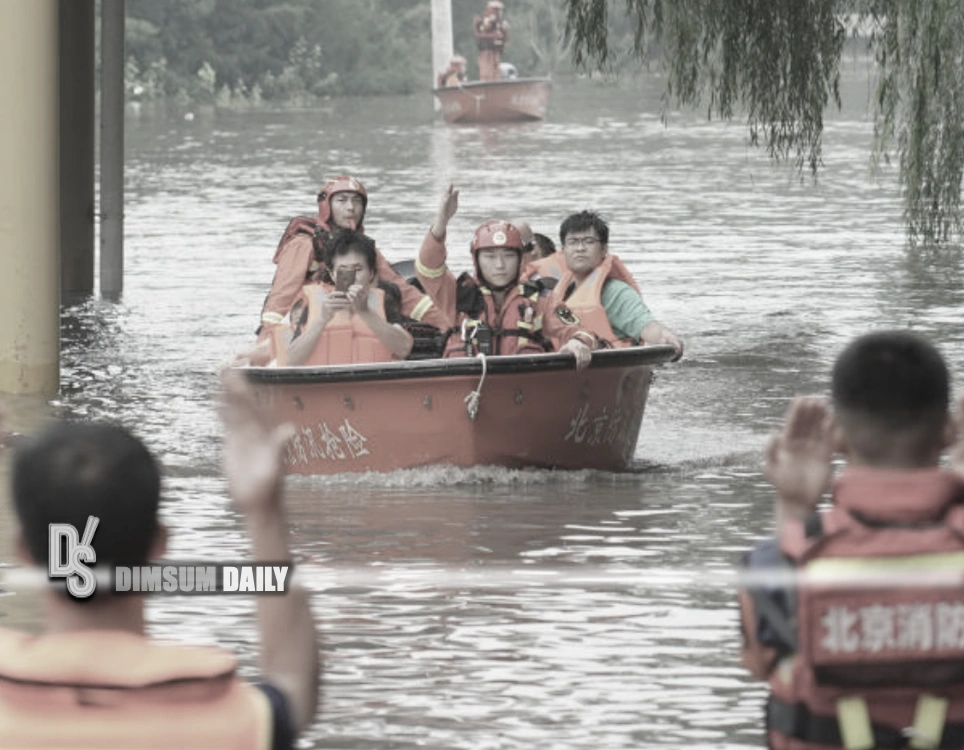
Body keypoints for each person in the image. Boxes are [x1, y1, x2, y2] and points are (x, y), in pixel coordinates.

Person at [0, 372, 319, 748]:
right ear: (160, 544)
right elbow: (292, 683)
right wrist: (264, 511)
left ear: (24, 552)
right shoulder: (231, 720)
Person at [739, 330, 964, 750]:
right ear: (949, 431)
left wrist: (795, 508)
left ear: (837, 436)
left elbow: (770, 656)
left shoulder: (775, 565)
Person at [415, 185, 595, 367]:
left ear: (520, 259)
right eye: (490, 256)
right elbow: (428, 267)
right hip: (466, 390)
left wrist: (577, 343)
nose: (499, 265)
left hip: (522, 388)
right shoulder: (457, 296)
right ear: (476, 260)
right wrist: (441, 223)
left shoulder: (541, 300)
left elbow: (579, 330)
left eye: (508, 256)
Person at [257, 175, 443, 341]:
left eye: (356, 201)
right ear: (326, 206)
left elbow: (404, 293)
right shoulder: (303, 245)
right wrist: (268, 339)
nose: (350, 208)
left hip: (356, 319)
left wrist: (447, 322)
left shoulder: (363, 248)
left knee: (390, 294)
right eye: (342, 200)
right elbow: (281, 298)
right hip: (308, 323)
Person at [532, 210, 683, 356]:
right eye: (573, 242)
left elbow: (647, 326)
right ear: (563, 250)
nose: (580, 248)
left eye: (589, 241)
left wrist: (666, 337)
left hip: (608, 370)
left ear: (603, 249)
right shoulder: (557, 293)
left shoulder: (616, 293)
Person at [278, 230, 413, 366]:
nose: (352, 277)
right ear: (332, 274)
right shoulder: (316, 304)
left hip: (370, 383)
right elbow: (291, 361)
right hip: (324, 383)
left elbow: (404, 349)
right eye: (343, 270)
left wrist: (365, 312)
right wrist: (322, 319)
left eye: (358, 269)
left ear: (371, 273)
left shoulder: (384, 302)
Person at [473, 0, 509, 82]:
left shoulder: (500, 23)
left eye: (499, 10)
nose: (498, 12)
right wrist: (492, 35)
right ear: (489, 9)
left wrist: (504, 33)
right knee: (486, 73)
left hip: (496, 51)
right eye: (495, 9)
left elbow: (505, 40)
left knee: (496, 73)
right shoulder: (482, 21)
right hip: (485, 50)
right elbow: (478, 34)